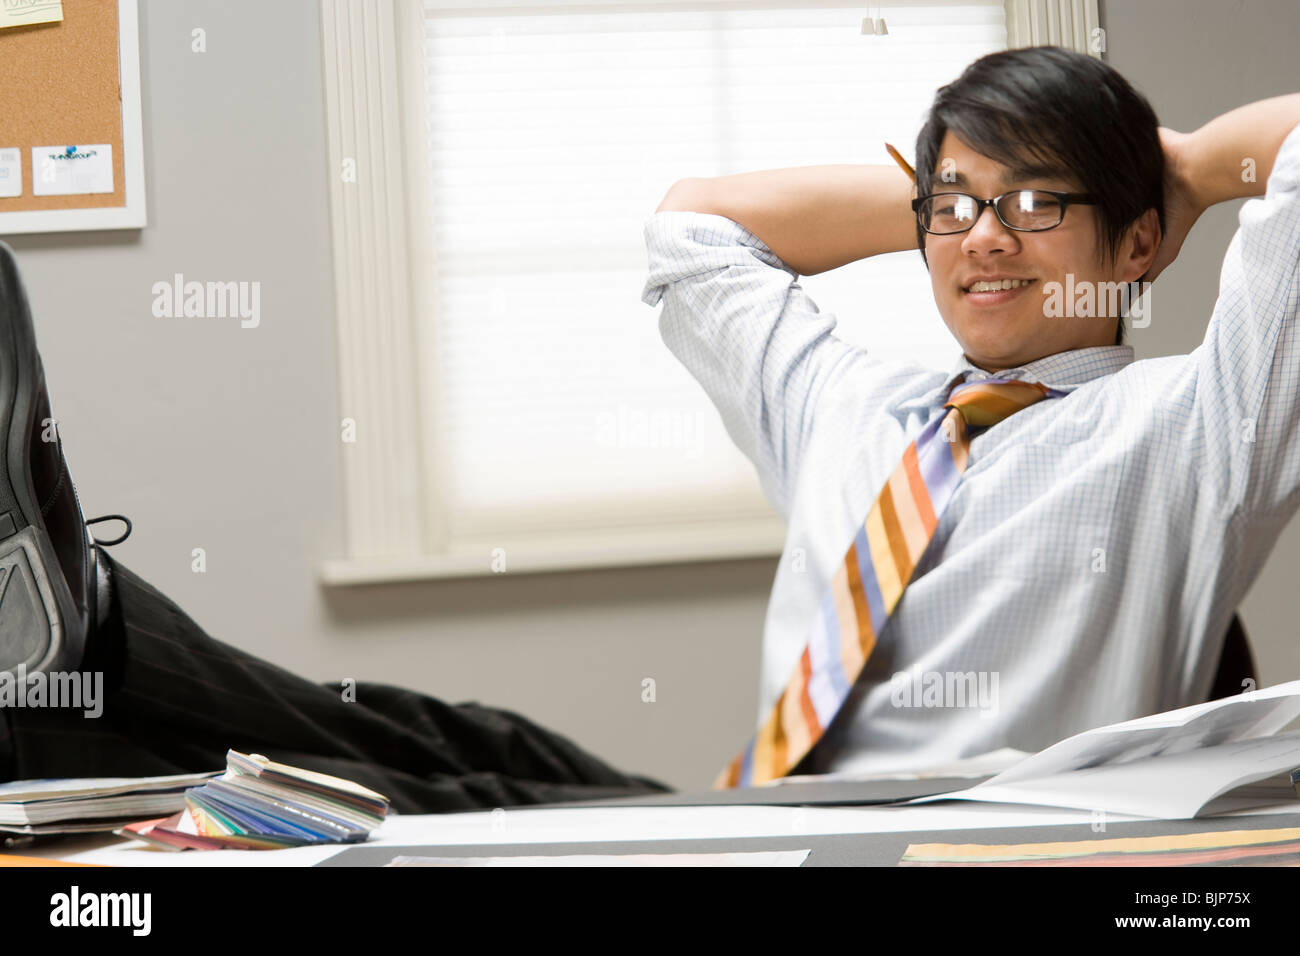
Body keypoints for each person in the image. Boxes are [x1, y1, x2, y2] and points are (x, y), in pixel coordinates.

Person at [646, 47, 1300, 783]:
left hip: (1013, 843)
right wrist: (956, 213)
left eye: (1036, 200)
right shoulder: (842, 407)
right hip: (781, 834)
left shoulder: (1202, 422)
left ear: (1138, 242)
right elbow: (691, 229)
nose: (987, 238)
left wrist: (1183, 171)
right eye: (954, 209)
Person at [0, 248, 673, 813]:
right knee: (435, 741)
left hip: (733, 817)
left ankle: (89, 640)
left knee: (455, 788)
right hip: (713, 799)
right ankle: (85, 642)